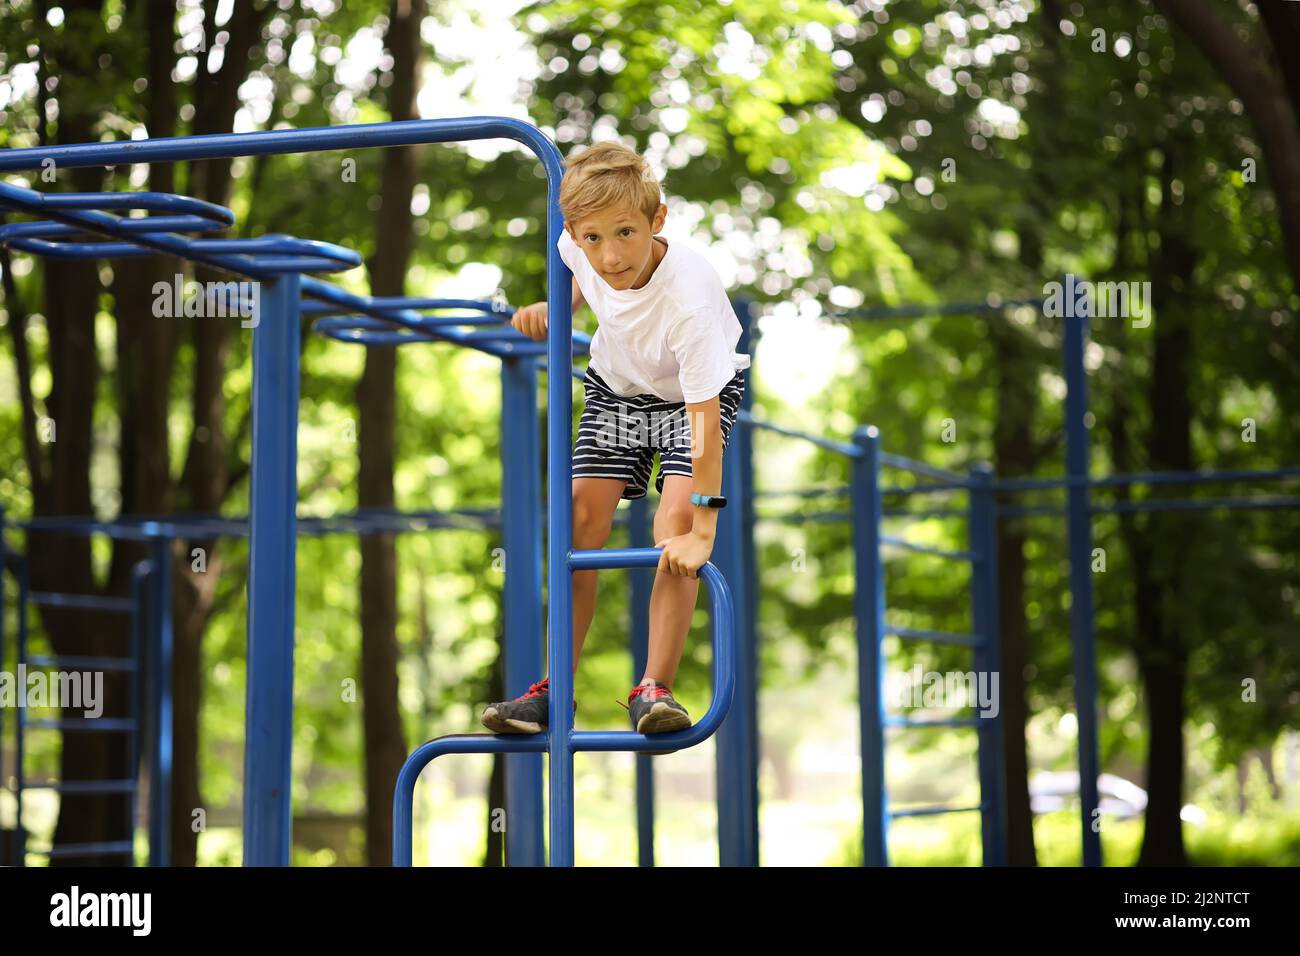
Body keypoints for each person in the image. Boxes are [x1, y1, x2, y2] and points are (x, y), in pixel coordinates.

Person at [481, 141, 749, 740]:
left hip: (691, 401)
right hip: (620, 390)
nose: (610, 255)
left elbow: (705, 419)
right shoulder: (576, 247)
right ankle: (556, 688)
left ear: (658, 220)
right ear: (574, 234)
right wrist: (557, 305)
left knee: (674, 525)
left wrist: (704, 531)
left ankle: (655, 686)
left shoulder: (690, 298)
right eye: (592, 239)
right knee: (579, 520)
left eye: (626, 233)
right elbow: (583, 278)